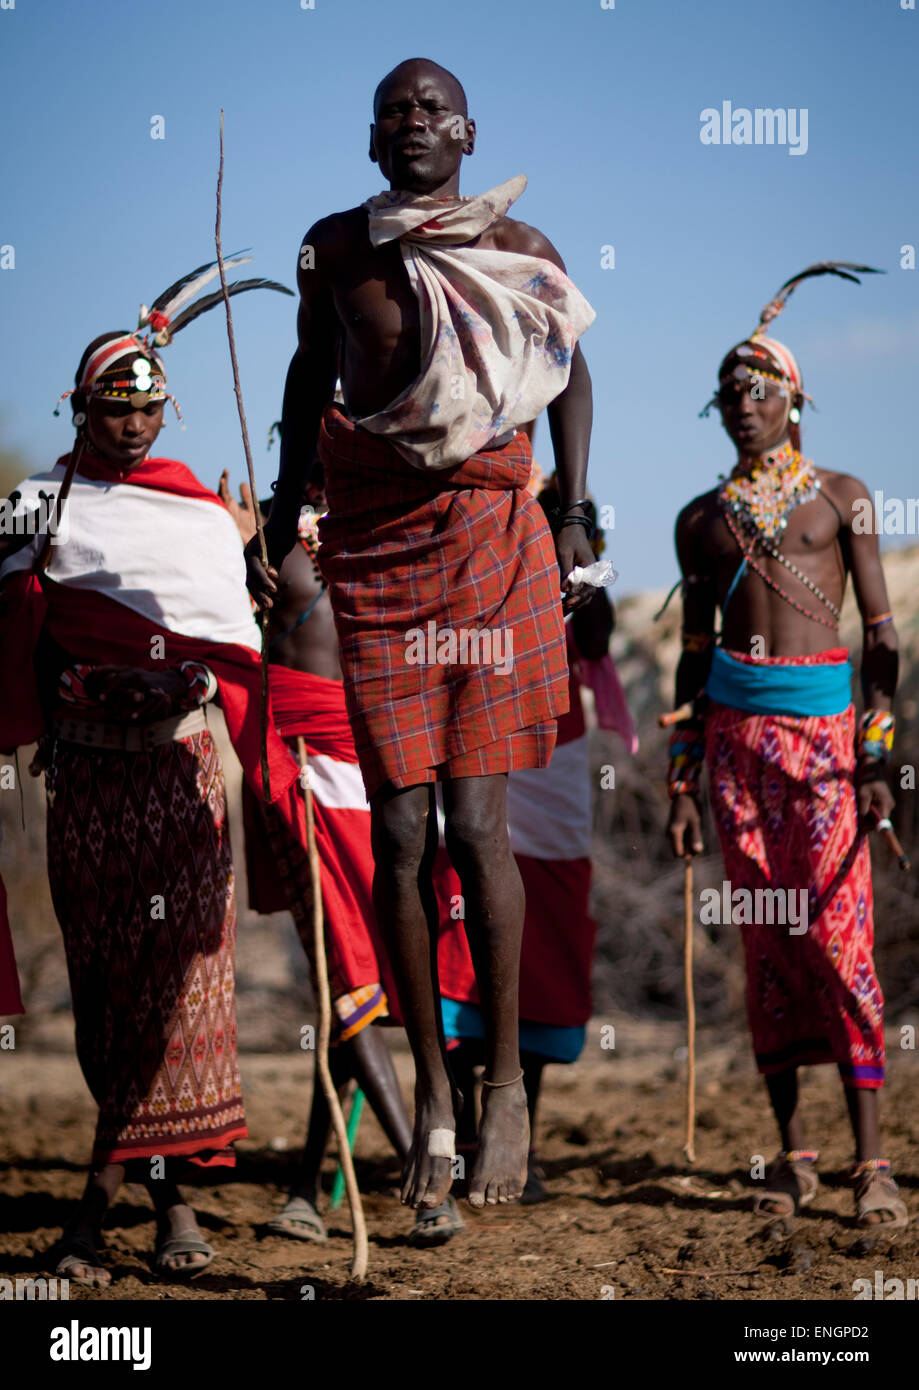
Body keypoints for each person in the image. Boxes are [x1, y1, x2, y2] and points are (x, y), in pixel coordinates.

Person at [246, 59, 596, 1210]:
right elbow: (309, 371)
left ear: (469, 131)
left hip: (492, 537)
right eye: (394, 113)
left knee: (475, 819)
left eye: (432, 111)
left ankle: (502, 1091)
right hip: (379, 547)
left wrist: (575, 501)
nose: (414, 125)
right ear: (369, 140)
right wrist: (276, 499)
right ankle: (434, 1104)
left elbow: (568, 365)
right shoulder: (335, 249)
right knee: (400, 830)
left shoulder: (520, 244)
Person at [0, 259, 296, 1284]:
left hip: (180, 782)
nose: (132, 426)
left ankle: (138, 1207)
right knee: (109, 994)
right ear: (78, 408)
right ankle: (150, 1192)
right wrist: (64, 675)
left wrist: (247, 576)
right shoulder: (34, 504)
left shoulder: (201, 517)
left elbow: (231, 645)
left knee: (180, 990)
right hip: (87, 785)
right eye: (111, 409)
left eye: (147, 408)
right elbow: (6, 629)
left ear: (166, 411)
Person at [665, 263, 907, 1228]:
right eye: (727, 396)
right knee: (767, 944)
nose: (740, 408)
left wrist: (878, 755)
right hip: (732, 746)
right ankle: (790, 1157)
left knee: (840, 942)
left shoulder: (841, 498)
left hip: (825, 742)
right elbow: (690, 662)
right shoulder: (699, 521)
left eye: (757, 392)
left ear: (794, 399)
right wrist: (681, 780)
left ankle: (873, 1163)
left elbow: (882, 637)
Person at [221, 471, 463, 1246]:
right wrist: (227, 548)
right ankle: (424, 1180)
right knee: (348, 972)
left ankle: (305, 1187)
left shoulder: (402, 521)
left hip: (386, 770)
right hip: (295, 768)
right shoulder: (260, 532)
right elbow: (219, 626)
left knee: (372, 974)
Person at [437, 481, 631, 1200]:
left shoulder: (571, 548)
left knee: (544, 930)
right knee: (460, 919)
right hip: (475, 736)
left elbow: (598, 637)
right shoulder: (476, 528)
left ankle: (517, 1135)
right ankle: (458, 1137)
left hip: (552, 758)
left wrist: (576, 543)